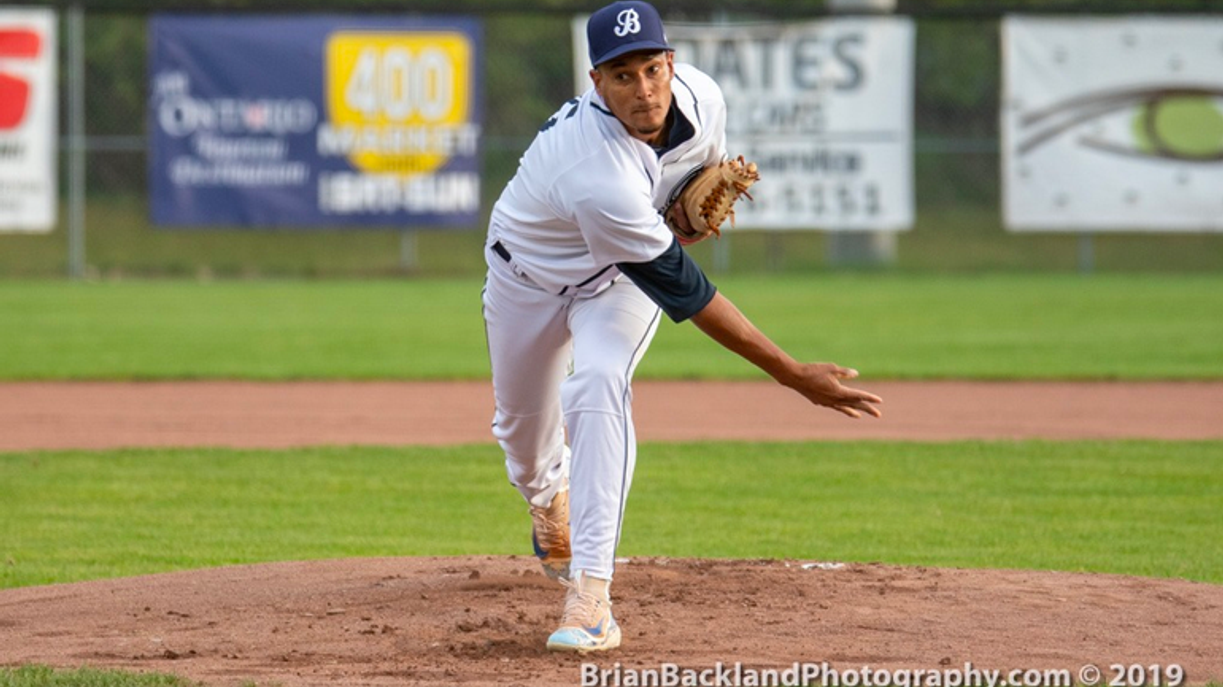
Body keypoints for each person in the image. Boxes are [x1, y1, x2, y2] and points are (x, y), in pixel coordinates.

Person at [481, 0, 883, 653]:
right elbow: (689, 291)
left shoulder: (706, 99)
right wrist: (790, 372)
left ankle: (589, 594)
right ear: (595, 83)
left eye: (650, 68)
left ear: (671, 62)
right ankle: (546, 494)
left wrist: (686, 213)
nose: (641, 90)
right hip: (523, 279)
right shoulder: (593, 170)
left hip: (617, 283)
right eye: (621, 76)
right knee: (524, 441)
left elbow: (691, 195)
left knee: (600, 383)